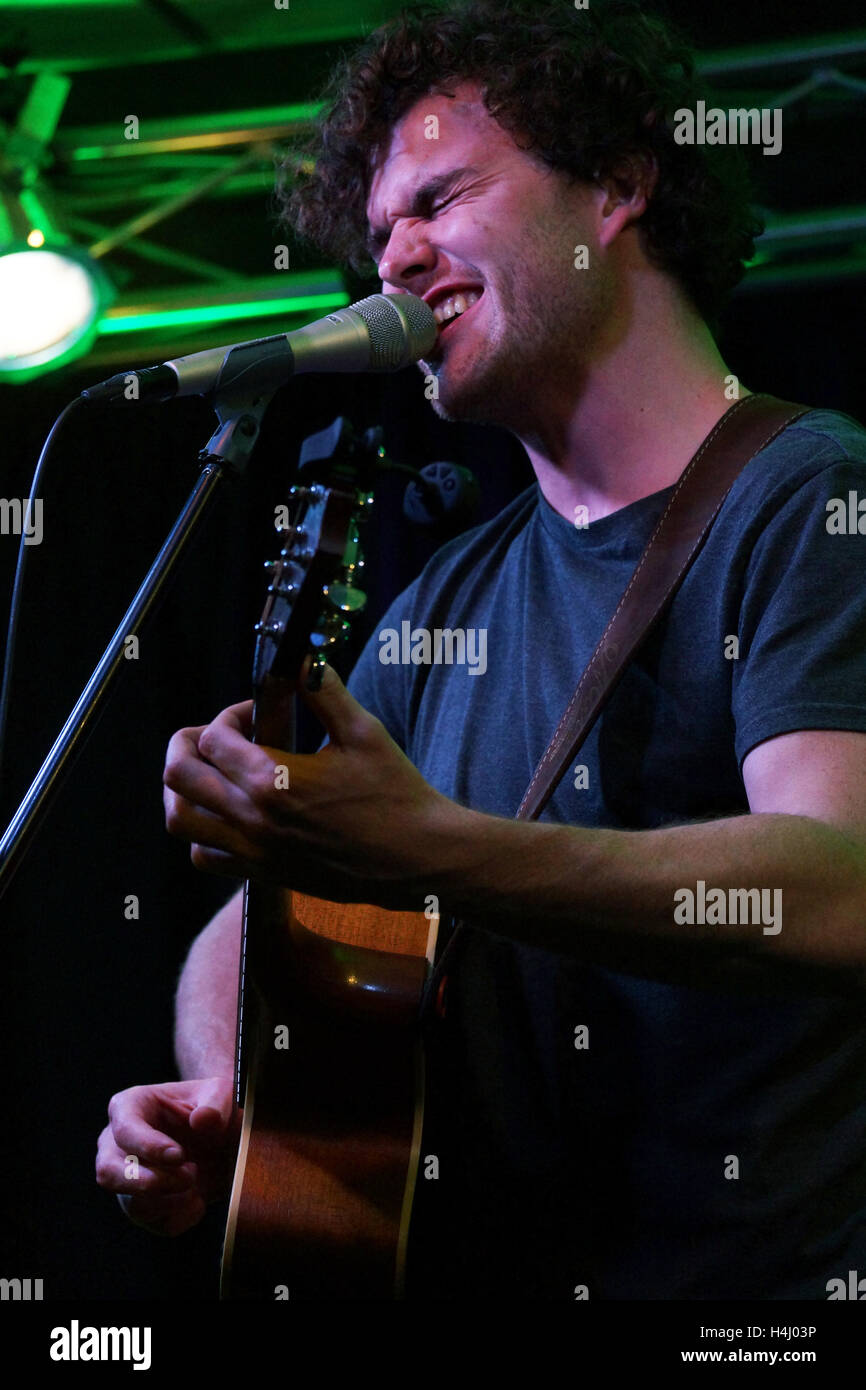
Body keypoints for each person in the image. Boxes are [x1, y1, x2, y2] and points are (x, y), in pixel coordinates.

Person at [96, 0, 866, 1299]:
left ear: (617, 183)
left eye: (437, 200)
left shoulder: (808, 496)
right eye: (379, 227)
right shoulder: (445, 596)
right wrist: (230, 1084)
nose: (391, 259)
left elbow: (839, 883)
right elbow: (268, 916)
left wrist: (424, 845)